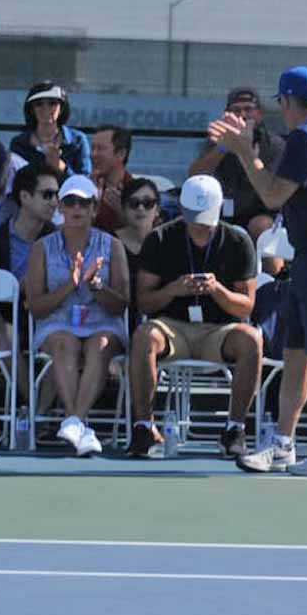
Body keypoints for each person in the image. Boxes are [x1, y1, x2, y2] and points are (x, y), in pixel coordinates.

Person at [207, 66, 307, 478]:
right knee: (295, 351)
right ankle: (282, 445)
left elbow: (273, 195)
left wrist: (244, 150)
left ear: (288, 102)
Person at [125, 174, 261, 460]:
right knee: (144, 336)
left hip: (220, 330)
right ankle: (144, 426)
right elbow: (144, 302)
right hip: (172, 328)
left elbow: (246, 306)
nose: (200, 224)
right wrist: (174, 289)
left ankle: (235, 429)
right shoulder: (160, 238)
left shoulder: (238, 240)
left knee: (251, 339)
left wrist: (217, 291)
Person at [24, 175, 130, 457]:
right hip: (57, 322)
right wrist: (70, 285)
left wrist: (96, 286)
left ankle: (73, 421)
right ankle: (78, 422)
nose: (77, 208)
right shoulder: (41, 248)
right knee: (64, 343)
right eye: (70, 201)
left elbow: (121, 305)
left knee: (101, 345)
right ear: (60, 207)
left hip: (103, 322)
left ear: (94, 209)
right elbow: (36, 307)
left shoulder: (113, 245)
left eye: (84, 202)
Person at [187, 86, 285, 240]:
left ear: (259, 114)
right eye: (236, 110)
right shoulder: (217, 140)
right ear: (226, 115)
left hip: (261, 212)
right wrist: (221, 148)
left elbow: (275, 189)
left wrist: (247, 152)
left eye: (248, 109)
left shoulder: (274, 145)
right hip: (223, 213)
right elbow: (194, 176)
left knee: (261, 226)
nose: (242, 115)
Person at [0, 164, 59, 284]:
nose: (54, 202)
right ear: (24, 196)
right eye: (47, 195)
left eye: (57, 195)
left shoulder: (59, 241)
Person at [9, 81, 91, 179]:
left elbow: (85, 182)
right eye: (39, 104)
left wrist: (62, 167)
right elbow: (15, 179)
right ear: (31, 109)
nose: (46, 108)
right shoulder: (19, 143)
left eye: (52, 103)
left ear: (61, 108)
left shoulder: (78, 140)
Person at [88, 125, 134, 232]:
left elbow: (144, 234)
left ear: (121, 154)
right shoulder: (84, 187)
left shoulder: (137, 193)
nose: (93, 154)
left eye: (100, 149)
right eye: (92, 148)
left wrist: (121, 211)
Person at [115, 175, 166, 266]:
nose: (140, 208)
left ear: (157, 210)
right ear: (123, 209)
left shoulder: (167, 243)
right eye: (134, 203)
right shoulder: (109, 243)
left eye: (148, 203)